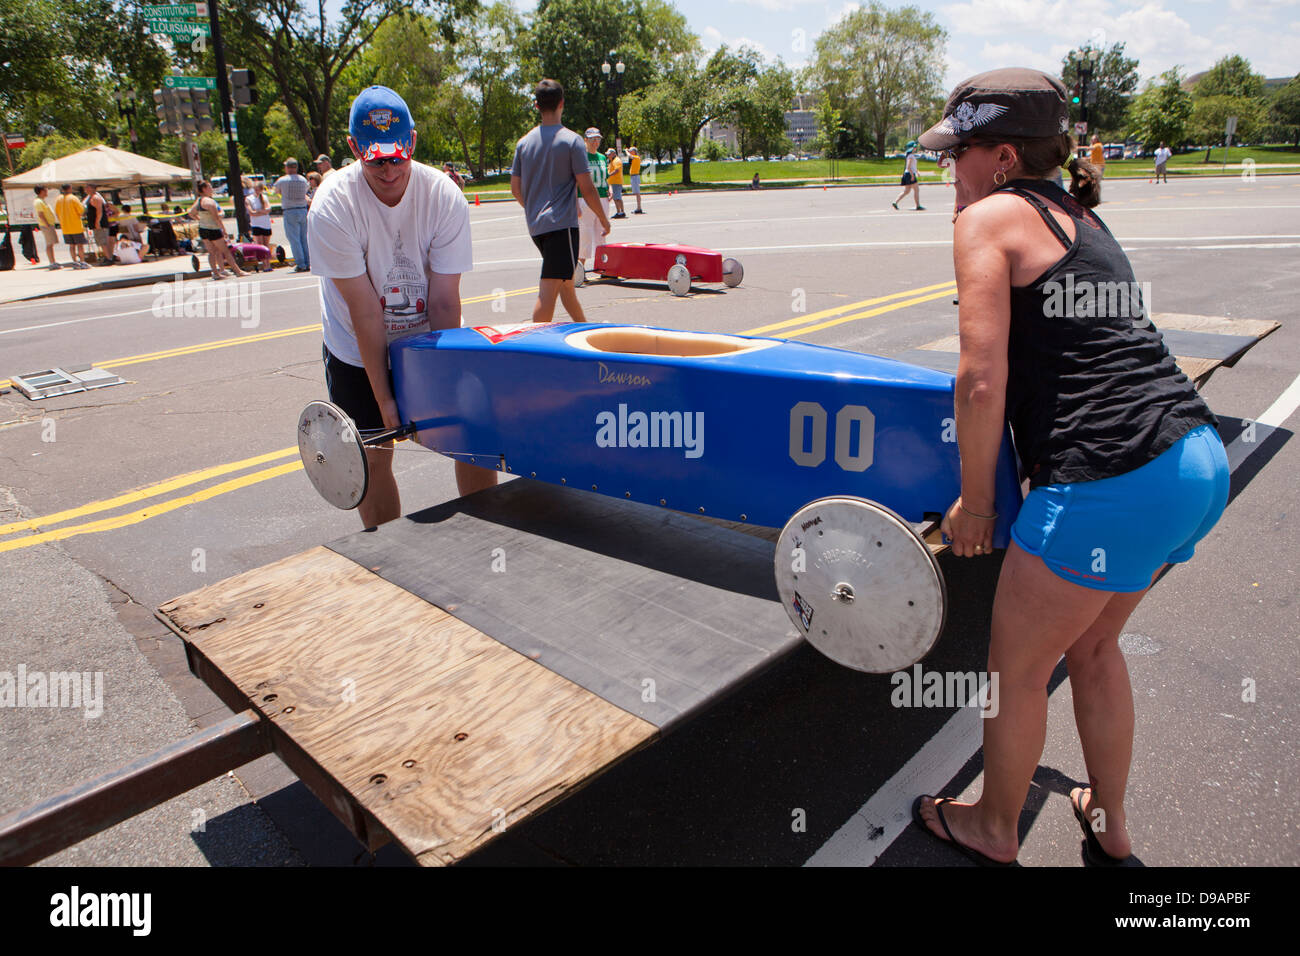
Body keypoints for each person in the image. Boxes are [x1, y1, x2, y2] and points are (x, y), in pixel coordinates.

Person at [911, 68, 1227, 866]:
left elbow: (981, 380)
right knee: (1092, 648)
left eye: (960, 153)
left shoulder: (992, 217)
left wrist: (975, 505)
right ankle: (1111, 824)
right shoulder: (1077, 214)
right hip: (1192, 458)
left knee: (1016, 671)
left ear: (1004, 157)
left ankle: (993, 826)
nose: (952, 170)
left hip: (1112, 479)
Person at [309, 85, 498, 528]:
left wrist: (440, 385)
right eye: (376, 159)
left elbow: (445, 300)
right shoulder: (332, 206)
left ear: (412, 141)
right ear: (354, 147)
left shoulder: (443, 196)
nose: (389, 169)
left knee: (470, 439)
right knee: (374, 457)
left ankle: (488, 535)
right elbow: (365, 313)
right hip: (356, 347)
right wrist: (385, 399)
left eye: (398, 156)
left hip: (431, 334)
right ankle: (387, 556)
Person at [510, 78, 610, 324]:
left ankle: (584, 333)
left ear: (536, 105)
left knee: (565, 286)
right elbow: (587, 187)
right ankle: (535, 351)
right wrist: (602, 218)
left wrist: (534, 209)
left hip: (537, 228)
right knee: (548, 293)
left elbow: (515, 188)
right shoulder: (572, 140)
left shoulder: (523, 143)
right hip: (561, 226)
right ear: (562, 104)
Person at [186, 180, 247, 279]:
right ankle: (238, 271)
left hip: (203, 228)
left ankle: (215, 273)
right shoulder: (210, 202)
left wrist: (200, 219)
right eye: (210, 187)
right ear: (204, 189)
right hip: (213, 229)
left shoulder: (199, 200)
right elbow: (216, 218)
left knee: (212, 252)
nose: (212, 189)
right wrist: (223, 230)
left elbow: (191, 213)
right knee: (225, 251)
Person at [577, 127, 610, 268]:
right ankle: (579, 268)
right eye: (592, 139)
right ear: (586, 140)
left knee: (601, 233)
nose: (595, 142)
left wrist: (609, 189)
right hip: (585, 199)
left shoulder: (602, 158)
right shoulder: (581, 157)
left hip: (602, 198)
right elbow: (575, 180)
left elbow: (605, 177)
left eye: (597, 139)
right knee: (585, 233)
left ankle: (603, 265)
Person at [275, 157, 311, 271]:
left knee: (294, 239)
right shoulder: (303, 180)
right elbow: (306, 190)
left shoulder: (282, 180)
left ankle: (300, 263)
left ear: (287, 167)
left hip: (290, 210)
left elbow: (277, 191)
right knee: (304, 238)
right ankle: (308, 261)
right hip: (302, 209)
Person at [53, 184, 90, 269]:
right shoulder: (73, 198)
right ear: (70, 188)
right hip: (76, 225)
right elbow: (81, 211)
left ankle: (74, 262)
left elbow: (57, 213)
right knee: (80, 245)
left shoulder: (58, 199)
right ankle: (82, 262)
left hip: (65, 227)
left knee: (71, 245)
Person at [84, 184, 115, 264]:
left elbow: (99, 211)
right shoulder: (90, 198)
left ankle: (109, 258)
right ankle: (108, 257)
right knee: (101, 242)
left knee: (103, 242)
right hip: (96, 224)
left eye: (88, 187)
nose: (86, 189)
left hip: (100, 224)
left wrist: (97, 222)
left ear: (93, 188)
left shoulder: (96, 198)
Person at [33, 186, 61, 269]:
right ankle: (52, 262)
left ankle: (53, 261)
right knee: (49, 244)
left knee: (51, 244)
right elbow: (41, 214)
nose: (47, 192)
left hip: (49, 224)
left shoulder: (41, 201)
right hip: (46, 225)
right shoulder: (38, 202)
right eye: (45, 190)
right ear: (41, 191)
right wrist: (47, 224)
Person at [892, 140, 925, 210]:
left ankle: (895, 202)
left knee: (907, 191)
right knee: (916, 189)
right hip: (909, 174)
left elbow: (912, 167)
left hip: (908, 174)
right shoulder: (910, 156)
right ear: (912, 148)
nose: (916, 148)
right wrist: (912, 175)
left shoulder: (910, 155)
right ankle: (918, 205)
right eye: (915, 147)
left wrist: (917, 172)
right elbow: (909, 167)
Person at [245, 177, 274, 248]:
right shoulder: (249, 198)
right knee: (260, 246)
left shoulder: (265, 197)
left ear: (261, 189)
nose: (256, 191)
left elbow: (269, 209)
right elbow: (251, 213)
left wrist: (258, 211)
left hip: (266, 224)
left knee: (266, 245)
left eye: (258, 190)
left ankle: (266, 259)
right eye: (255, 190)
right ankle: (262, 259)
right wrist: (262, 212)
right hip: (256, 224)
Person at [606, 149, 626, 217]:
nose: (608, 156)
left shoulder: (617, 160)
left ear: (614, 154)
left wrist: (608, 175)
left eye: (609, 154)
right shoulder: (612, 161)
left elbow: (616, 170)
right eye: (607, 154)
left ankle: (621, 212)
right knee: (615, 197)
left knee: (617, 198)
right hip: (613, 182)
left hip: (616, 182)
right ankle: (619, 212)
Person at [627, 146, 644, 213]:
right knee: (636, 193)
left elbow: (629, 156)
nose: (630, 152)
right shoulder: (635, 158)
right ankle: (638, 207)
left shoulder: (636, 157)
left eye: (631, 151)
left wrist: (626, 151)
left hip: (635, 177)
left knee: (637, 193)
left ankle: (639, 208)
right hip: (633, 176)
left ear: (634, 151)